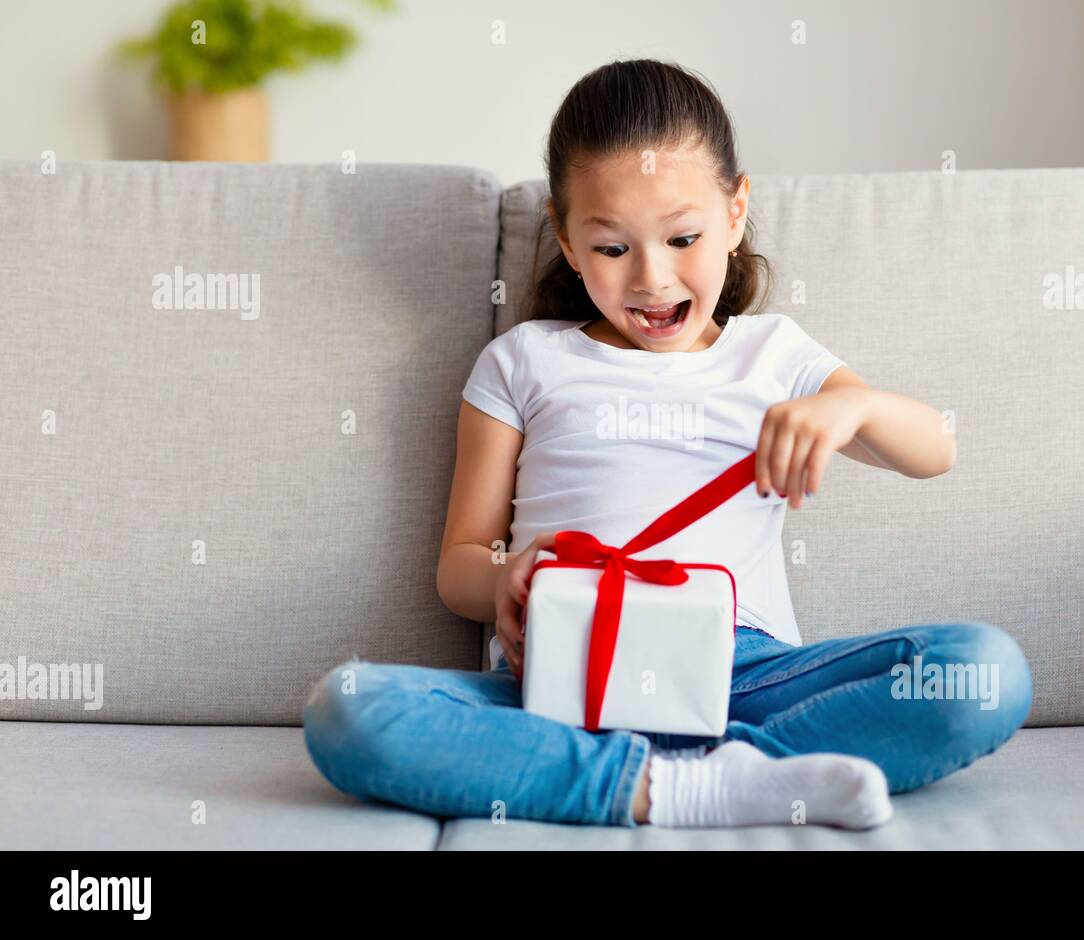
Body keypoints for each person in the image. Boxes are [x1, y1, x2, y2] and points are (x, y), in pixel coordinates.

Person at [303, 58, 1032, 831]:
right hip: (559, 678)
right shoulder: (522, 361)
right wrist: (503, 583)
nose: (652, 280)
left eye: (683, 237)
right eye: (613, 248)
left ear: (736, 210)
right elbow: (460, 565)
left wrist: (852, 407)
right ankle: (712, 785)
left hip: (736, 671)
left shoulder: (774, 355)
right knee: (348, 709)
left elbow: (936, 449)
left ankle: (649, 783)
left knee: (983, 674)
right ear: (565, 236)